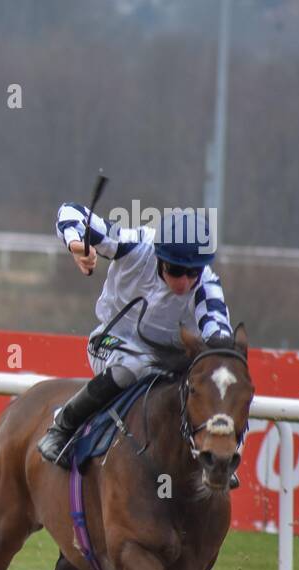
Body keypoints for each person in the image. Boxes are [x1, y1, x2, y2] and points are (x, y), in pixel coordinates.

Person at [36, 205, 239, 487]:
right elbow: (70, 212)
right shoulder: (135, 246)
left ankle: (224, 455)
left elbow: (220, 338)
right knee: (136, 365)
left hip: (169, 364)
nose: (184, 282)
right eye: (176, 270)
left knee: (224, 375)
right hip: (110, 340)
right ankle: (63, 426)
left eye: (193, 273)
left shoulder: (207, 287)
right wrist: (75, 243)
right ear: (159, 257)